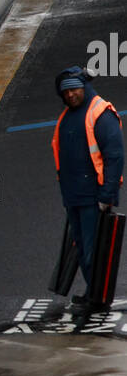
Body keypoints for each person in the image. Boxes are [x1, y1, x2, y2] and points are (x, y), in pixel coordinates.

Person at [52, 65, 124, 308]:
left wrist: (107, 195)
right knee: (83, 249)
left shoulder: (100, 113)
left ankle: (98, 297)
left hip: (94, 197)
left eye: (74, 90)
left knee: (94, 250)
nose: (70, 95)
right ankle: (93, 293)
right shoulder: (69, 115)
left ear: (84, 87)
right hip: (74, 197)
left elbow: (114, 157)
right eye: (66, 93)